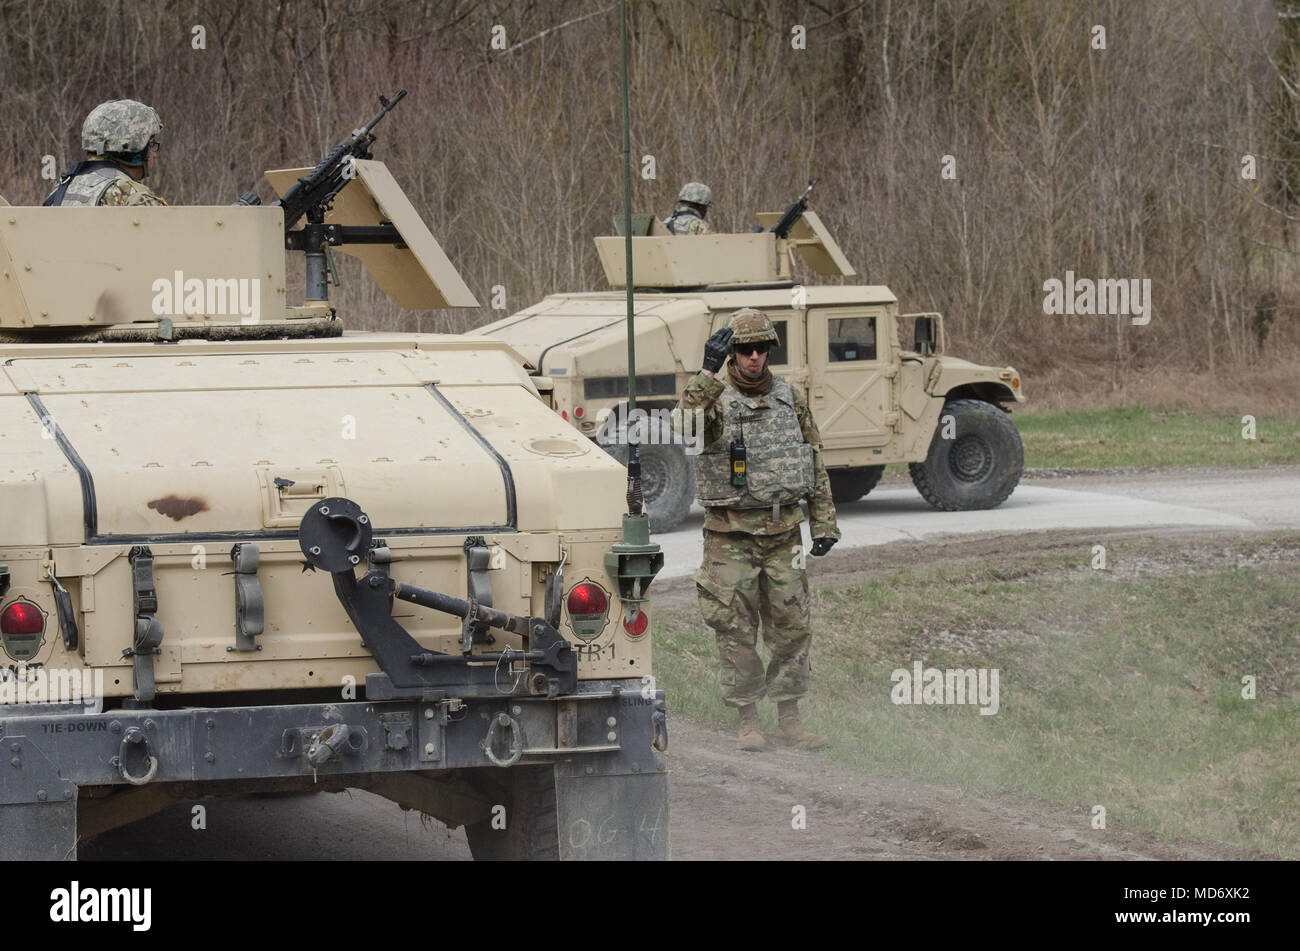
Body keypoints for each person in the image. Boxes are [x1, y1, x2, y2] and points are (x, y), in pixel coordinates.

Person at [676, 308, 841, 751]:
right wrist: (707, 373)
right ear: (731, 354)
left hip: (783, 531)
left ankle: (789, 718)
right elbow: (685, 429)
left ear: (769, 350)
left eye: (761, 349)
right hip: (731, 537)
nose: (753, 357)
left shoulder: (790, 397)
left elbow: (814, 456)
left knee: (793, 627)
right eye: (744, 350)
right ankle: (748, 720)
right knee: (735, 629)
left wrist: (824, 520)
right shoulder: (714, 398)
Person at [44, 99, 167, 207]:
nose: (154, 154)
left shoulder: (62, 189)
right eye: (150, 145)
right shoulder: (134, 198)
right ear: (136, 148)